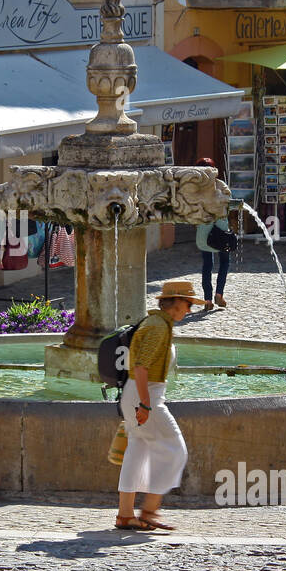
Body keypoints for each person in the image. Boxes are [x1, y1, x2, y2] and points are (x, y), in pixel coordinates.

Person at [114, 280, 205, 531]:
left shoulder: (154, 322)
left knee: (137, 450)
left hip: (136, 392)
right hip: (147, 394)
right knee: (176, 449)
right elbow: (142, 367)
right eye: (187, 304)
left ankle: (125, 515)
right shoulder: (158, 327)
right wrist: (145, 404)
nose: (188, 310)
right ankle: (150, 510)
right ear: (175, 303)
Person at [193, 157, 231, 311]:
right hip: (221, 228)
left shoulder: (196, 189)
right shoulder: (219, 184)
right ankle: (219, 294)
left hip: (204, 228)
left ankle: (208, 299)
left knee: (207, 265)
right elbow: (229, 199)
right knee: (225, 262)